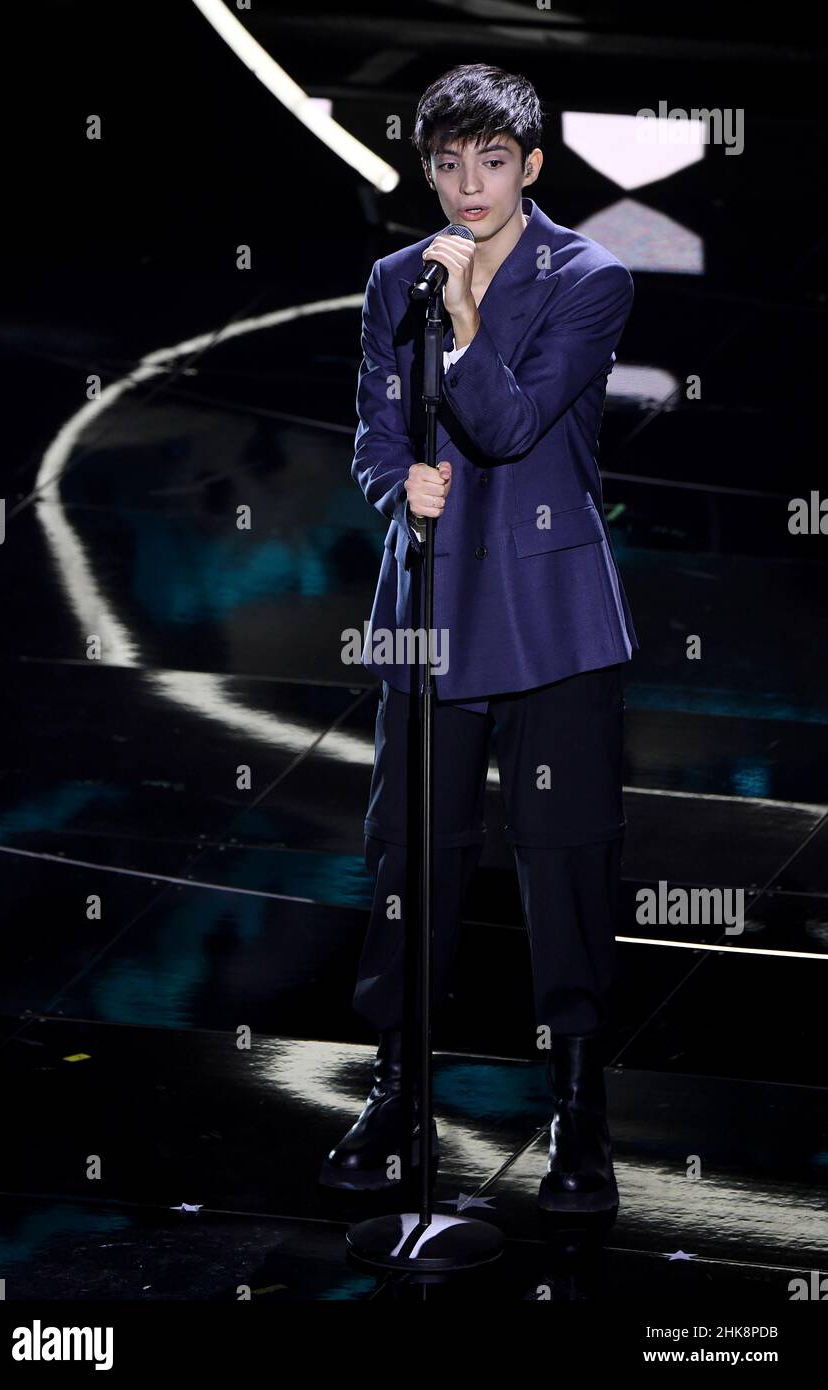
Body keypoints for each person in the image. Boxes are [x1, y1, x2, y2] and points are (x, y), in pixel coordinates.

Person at [319, 63, 637, 1214]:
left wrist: (458, 324)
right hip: (429, 607)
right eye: (447, 164)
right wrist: (391, 478)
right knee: (410, 851)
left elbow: (506, 424)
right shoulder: (391, 277)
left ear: (530, 166)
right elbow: (369, 424)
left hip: (550, 611)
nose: (467, 186)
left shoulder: (588, 279)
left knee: (564, 854)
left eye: (490, 162)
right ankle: (397, 1083)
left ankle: (576, 1107)